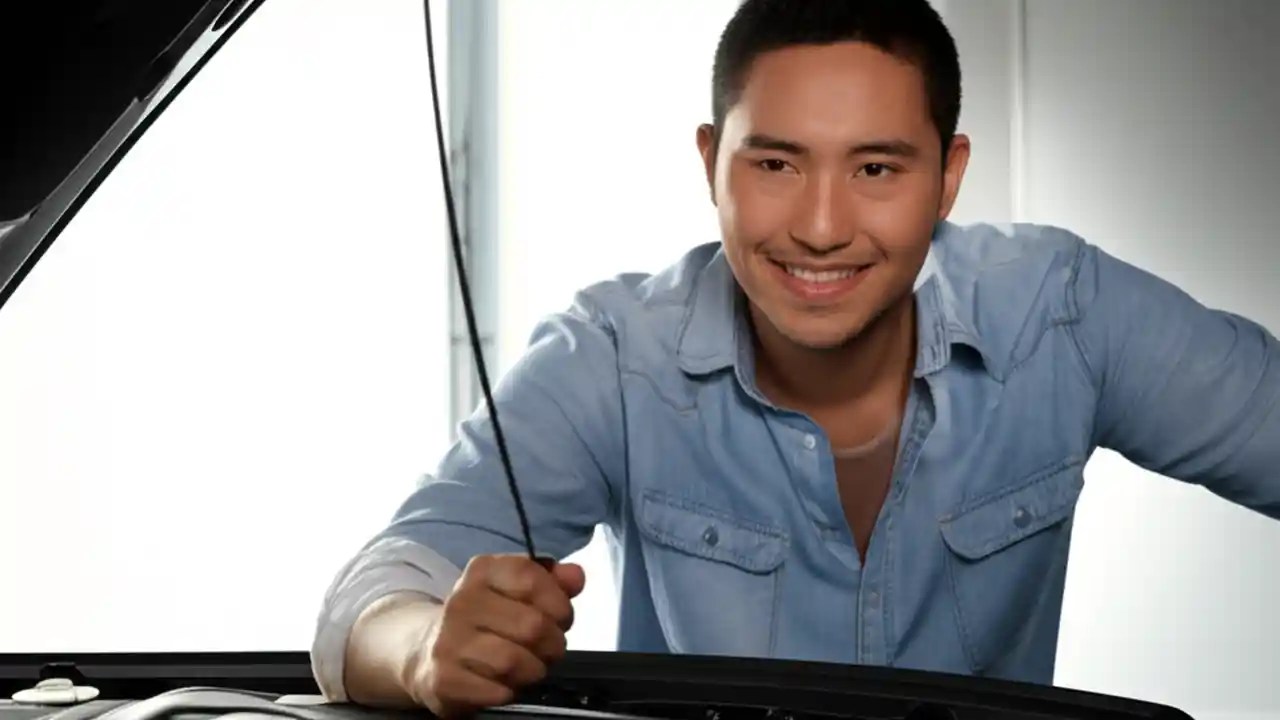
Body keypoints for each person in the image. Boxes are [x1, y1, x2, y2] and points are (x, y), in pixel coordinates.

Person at [310, 0, 1280, 716]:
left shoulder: (1062, 313)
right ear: (708, 164)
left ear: (947, 177)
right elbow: (373, 593)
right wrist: (425, 650)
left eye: (874, 168)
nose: (819, 229)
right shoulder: (613, 355)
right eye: (773, 164)